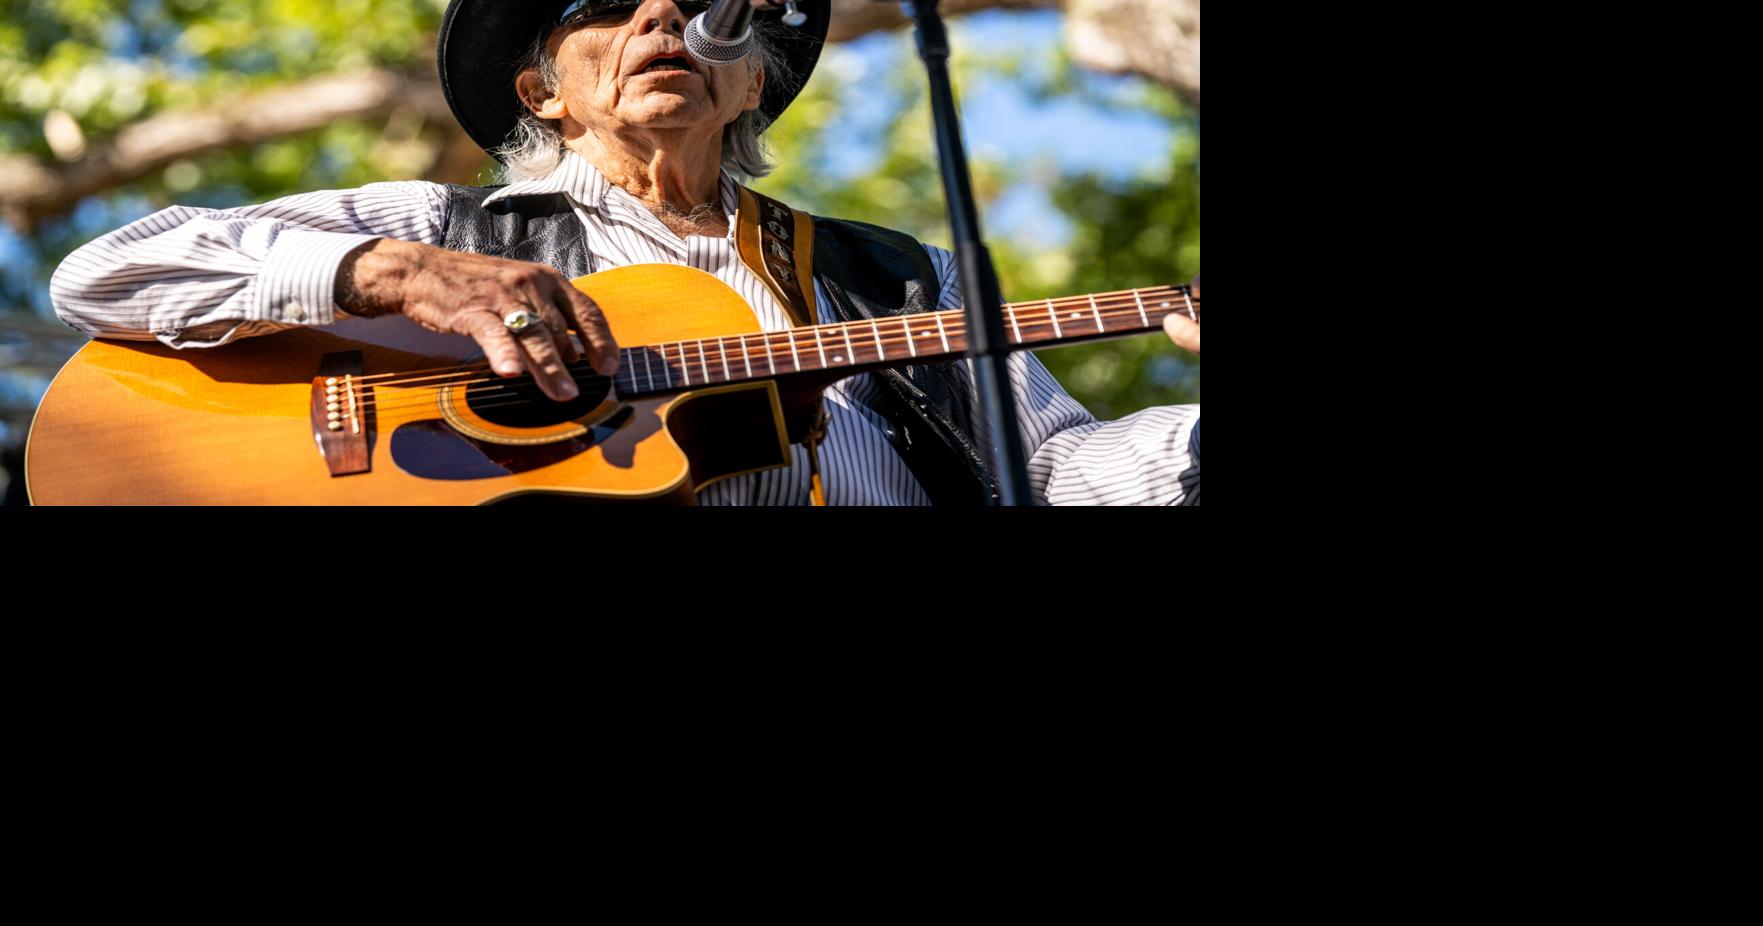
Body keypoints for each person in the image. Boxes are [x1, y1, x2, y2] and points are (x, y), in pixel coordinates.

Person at [49, 0, 1199, 505]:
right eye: (602, 1)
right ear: (540, 95)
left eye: (695, 3)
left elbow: (1058, 478)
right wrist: (394, 273)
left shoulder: (905, 278)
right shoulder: (446, 228)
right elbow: (104, 276)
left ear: (749, 83)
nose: (660, 14)